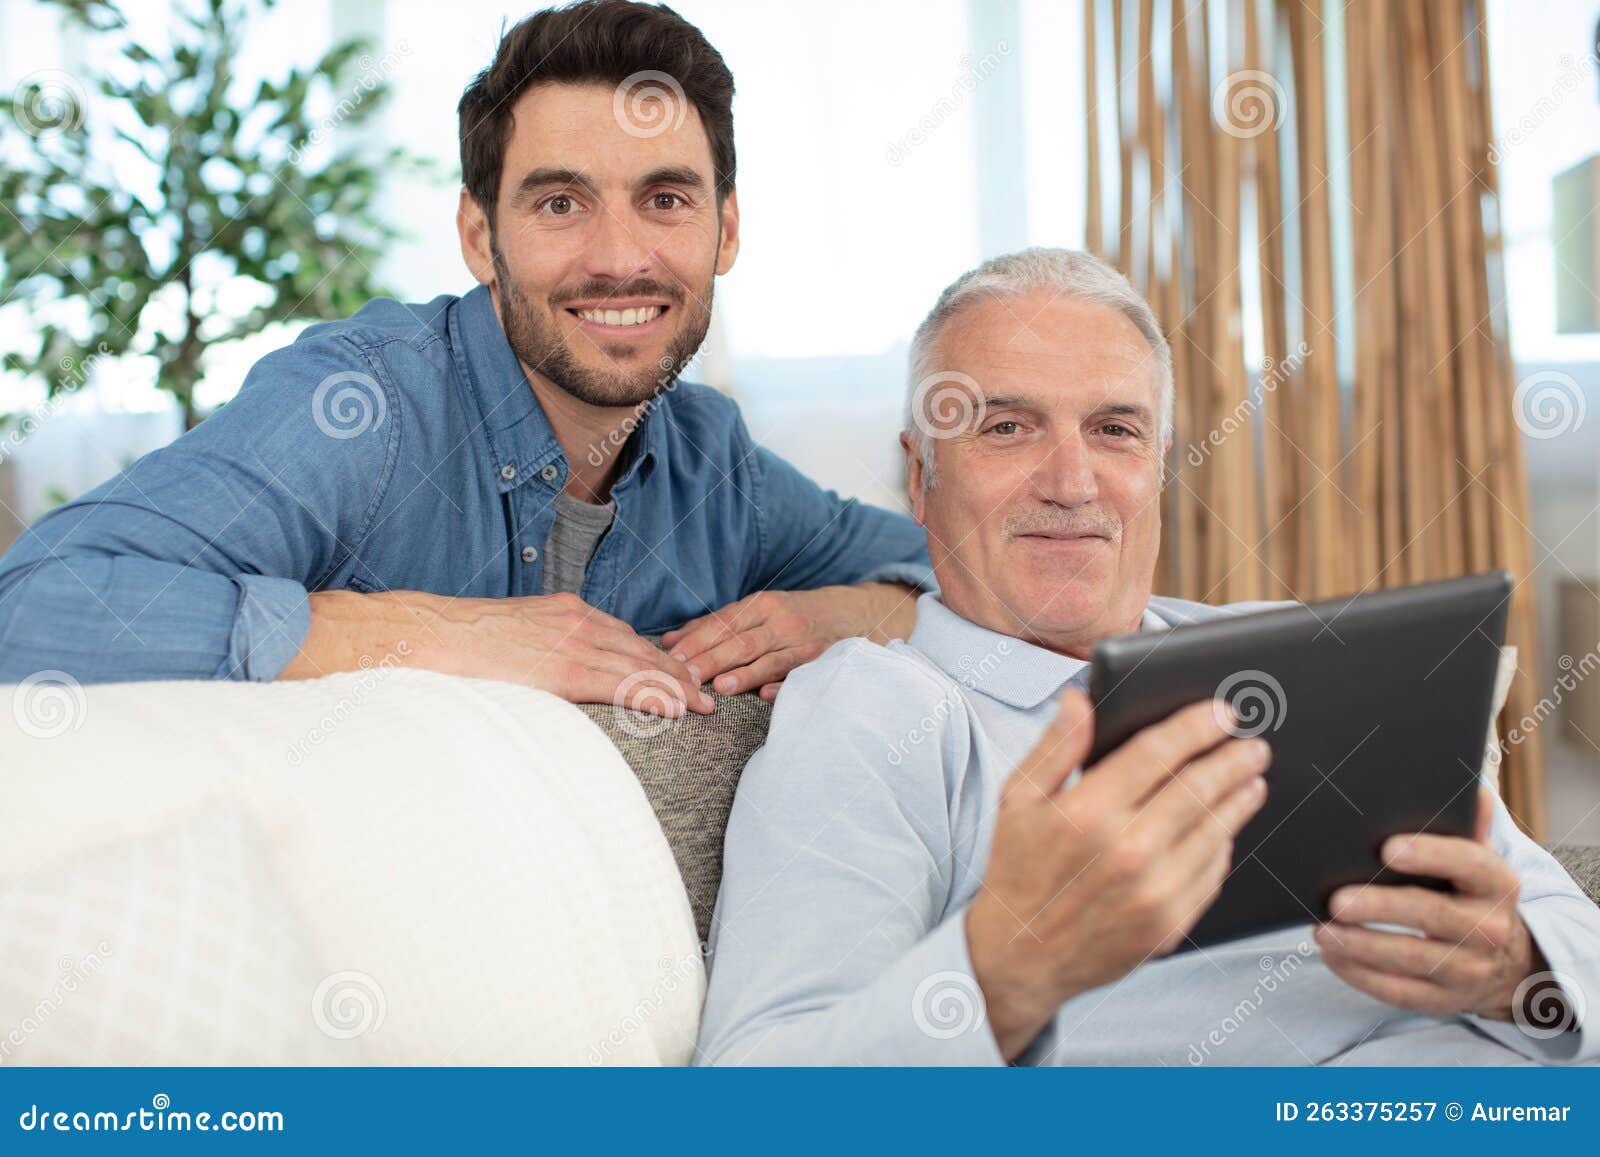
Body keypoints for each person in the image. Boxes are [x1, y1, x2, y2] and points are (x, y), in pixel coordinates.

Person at [696, 247, 1600, 1066]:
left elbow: (1568, 931)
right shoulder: (872, 709)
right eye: (1007, 427)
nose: (1071, 482)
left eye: (1114, 430)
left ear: (1159, 464)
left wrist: (1516, 968)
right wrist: (1012, 967)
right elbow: (764, 1087)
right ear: (921, 476)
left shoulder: (1304, 654)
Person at [0, 0, 929, 716]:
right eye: (560, 203)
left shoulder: (711, 462)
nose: (619, 256)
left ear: (725, 231)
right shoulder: (362, 410)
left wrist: (837, 619)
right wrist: (443, 634)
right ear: (479, 237)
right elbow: (33, 608)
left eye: (666, 200)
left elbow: (964, 575)